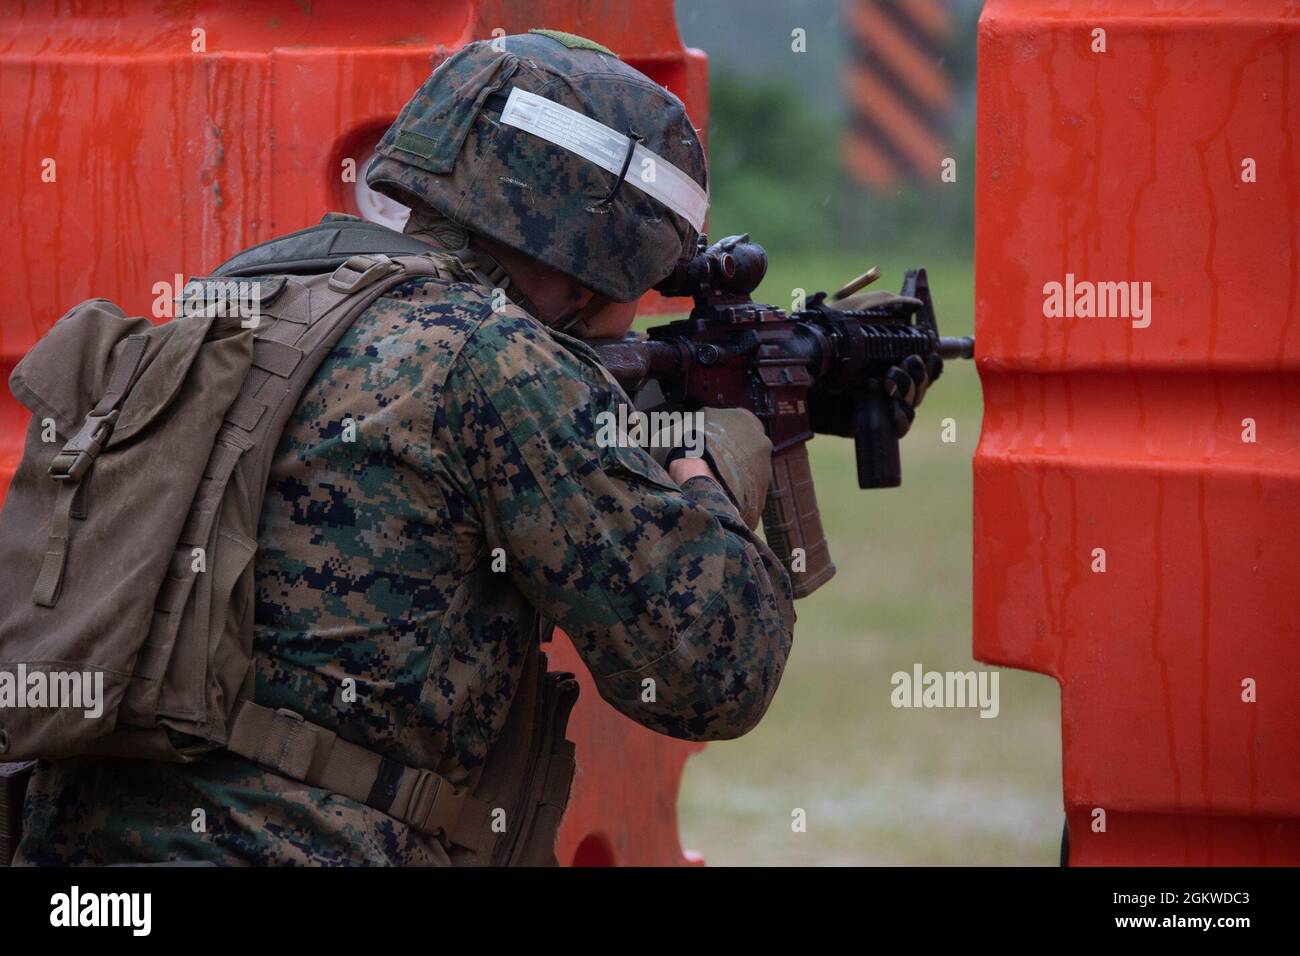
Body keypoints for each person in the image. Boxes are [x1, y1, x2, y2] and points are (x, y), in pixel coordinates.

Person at [13, 29, 800, 866]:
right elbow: (716, 672)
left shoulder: (238, 297)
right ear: (594, 260)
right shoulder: (495, 358)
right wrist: (703, 470)